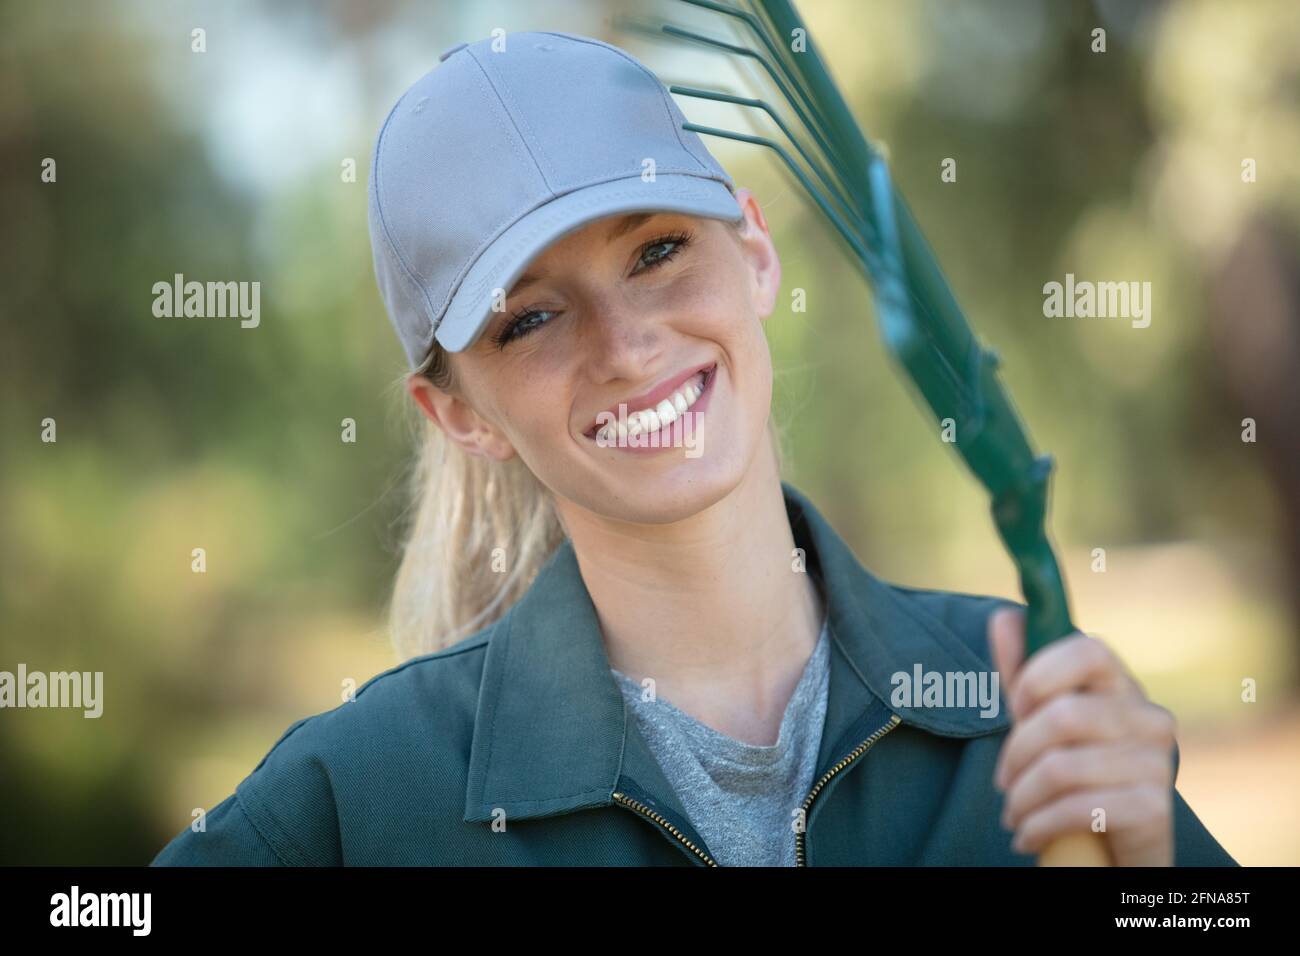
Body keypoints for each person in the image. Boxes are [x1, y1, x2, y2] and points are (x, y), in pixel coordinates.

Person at [151, 31, 1236, 866]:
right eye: (529, 318)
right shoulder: (365, 796)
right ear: (461, 415)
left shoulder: (1016, 700)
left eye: (658, 249)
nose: (625, 347)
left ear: (754, 250)